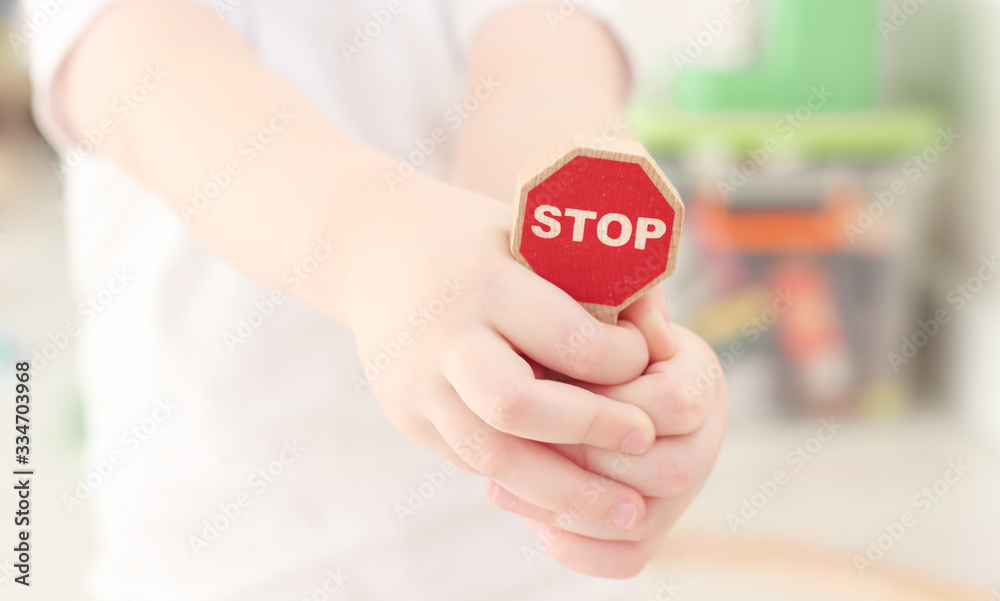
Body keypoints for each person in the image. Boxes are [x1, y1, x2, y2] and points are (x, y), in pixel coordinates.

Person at [25, 0, 728, 599]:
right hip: (225, 557)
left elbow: (543, 93)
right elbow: (152, 80)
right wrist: (371, 239)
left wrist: (622, 351)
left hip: (518, 556)